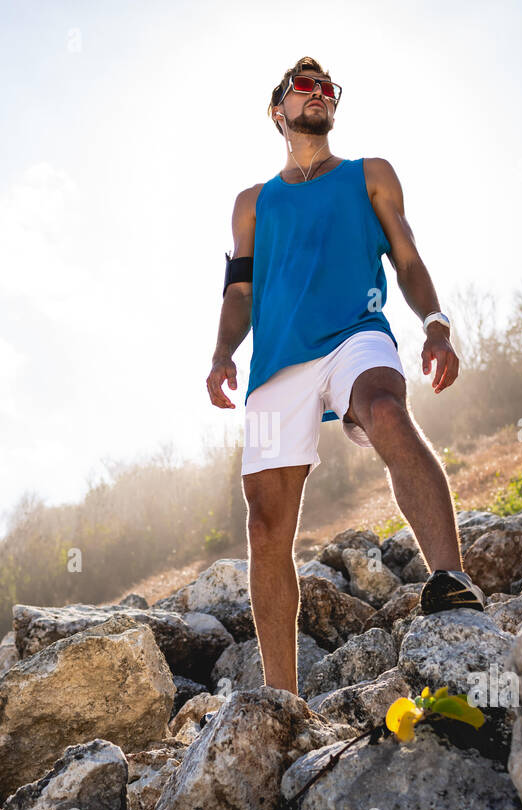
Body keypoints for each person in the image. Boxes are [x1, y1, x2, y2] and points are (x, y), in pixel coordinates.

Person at [205, 56, 486, 695]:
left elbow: (408, 259)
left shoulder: (370, 176)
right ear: (279, 111)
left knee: (385, 408)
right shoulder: (252, 205)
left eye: (326, 88)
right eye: (303, 88)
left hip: (356, 333)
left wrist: (435, 324)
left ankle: (450, 581)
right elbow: (240, 293)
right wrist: (223, 353)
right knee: (265, 521)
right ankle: (283, 699)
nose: (318, 95)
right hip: (278, 361)